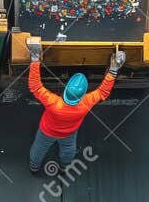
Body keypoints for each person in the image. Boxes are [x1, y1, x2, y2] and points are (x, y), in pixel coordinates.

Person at [26, 38, 124, 175]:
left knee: (38, 149)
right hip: (69, 133)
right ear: (83, 94)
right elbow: (103, 92)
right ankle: (64, 167)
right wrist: (113, 70)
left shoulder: (54, 103)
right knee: (68, 152)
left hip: (46, 131)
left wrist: (35, 59)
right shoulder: (86, 103)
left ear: (66, 89)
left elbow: (35, 86)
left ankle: (34, 167)